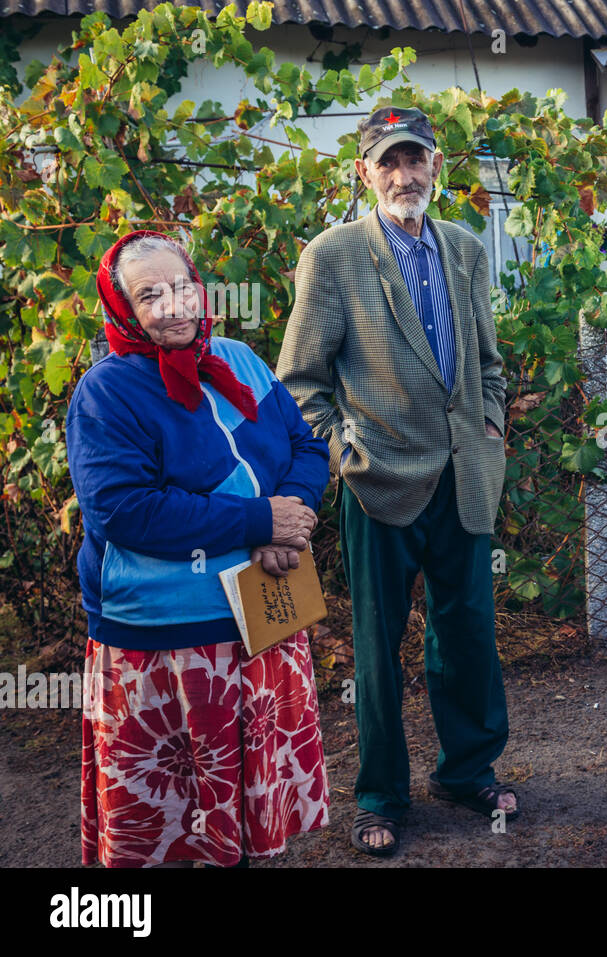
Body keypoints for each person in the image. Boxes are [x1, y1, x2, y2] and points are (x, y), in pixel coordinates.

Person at [277, 106, 515, 857]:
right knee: (377, 647)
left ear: (436, 166)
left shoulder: (468, 248)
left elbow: (487, 361)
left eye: (416, 160)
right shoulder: (335, 255)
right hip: (378, 478)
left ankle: (466, 769)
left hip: (463, 475)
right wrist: (344, 448)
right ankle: (380, 794)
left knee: (468, 630)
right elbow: (300, 382)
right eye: (389, 162)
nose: (404, 175)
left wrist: (492, 424)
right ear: (365, 173)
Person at [66, 230, 331, 867]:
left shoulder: (240, 360)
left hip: (268, 603)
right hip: (168, 633)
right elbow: (124, 510)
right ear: (122, 309)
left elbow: (306, 446)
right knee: (176, 818)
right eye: (149, 295)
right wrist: (255, 521)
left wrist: (287, 522)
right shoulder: (108, 392)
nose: (174, 305)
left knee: (248, 806)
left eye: (182, 286)